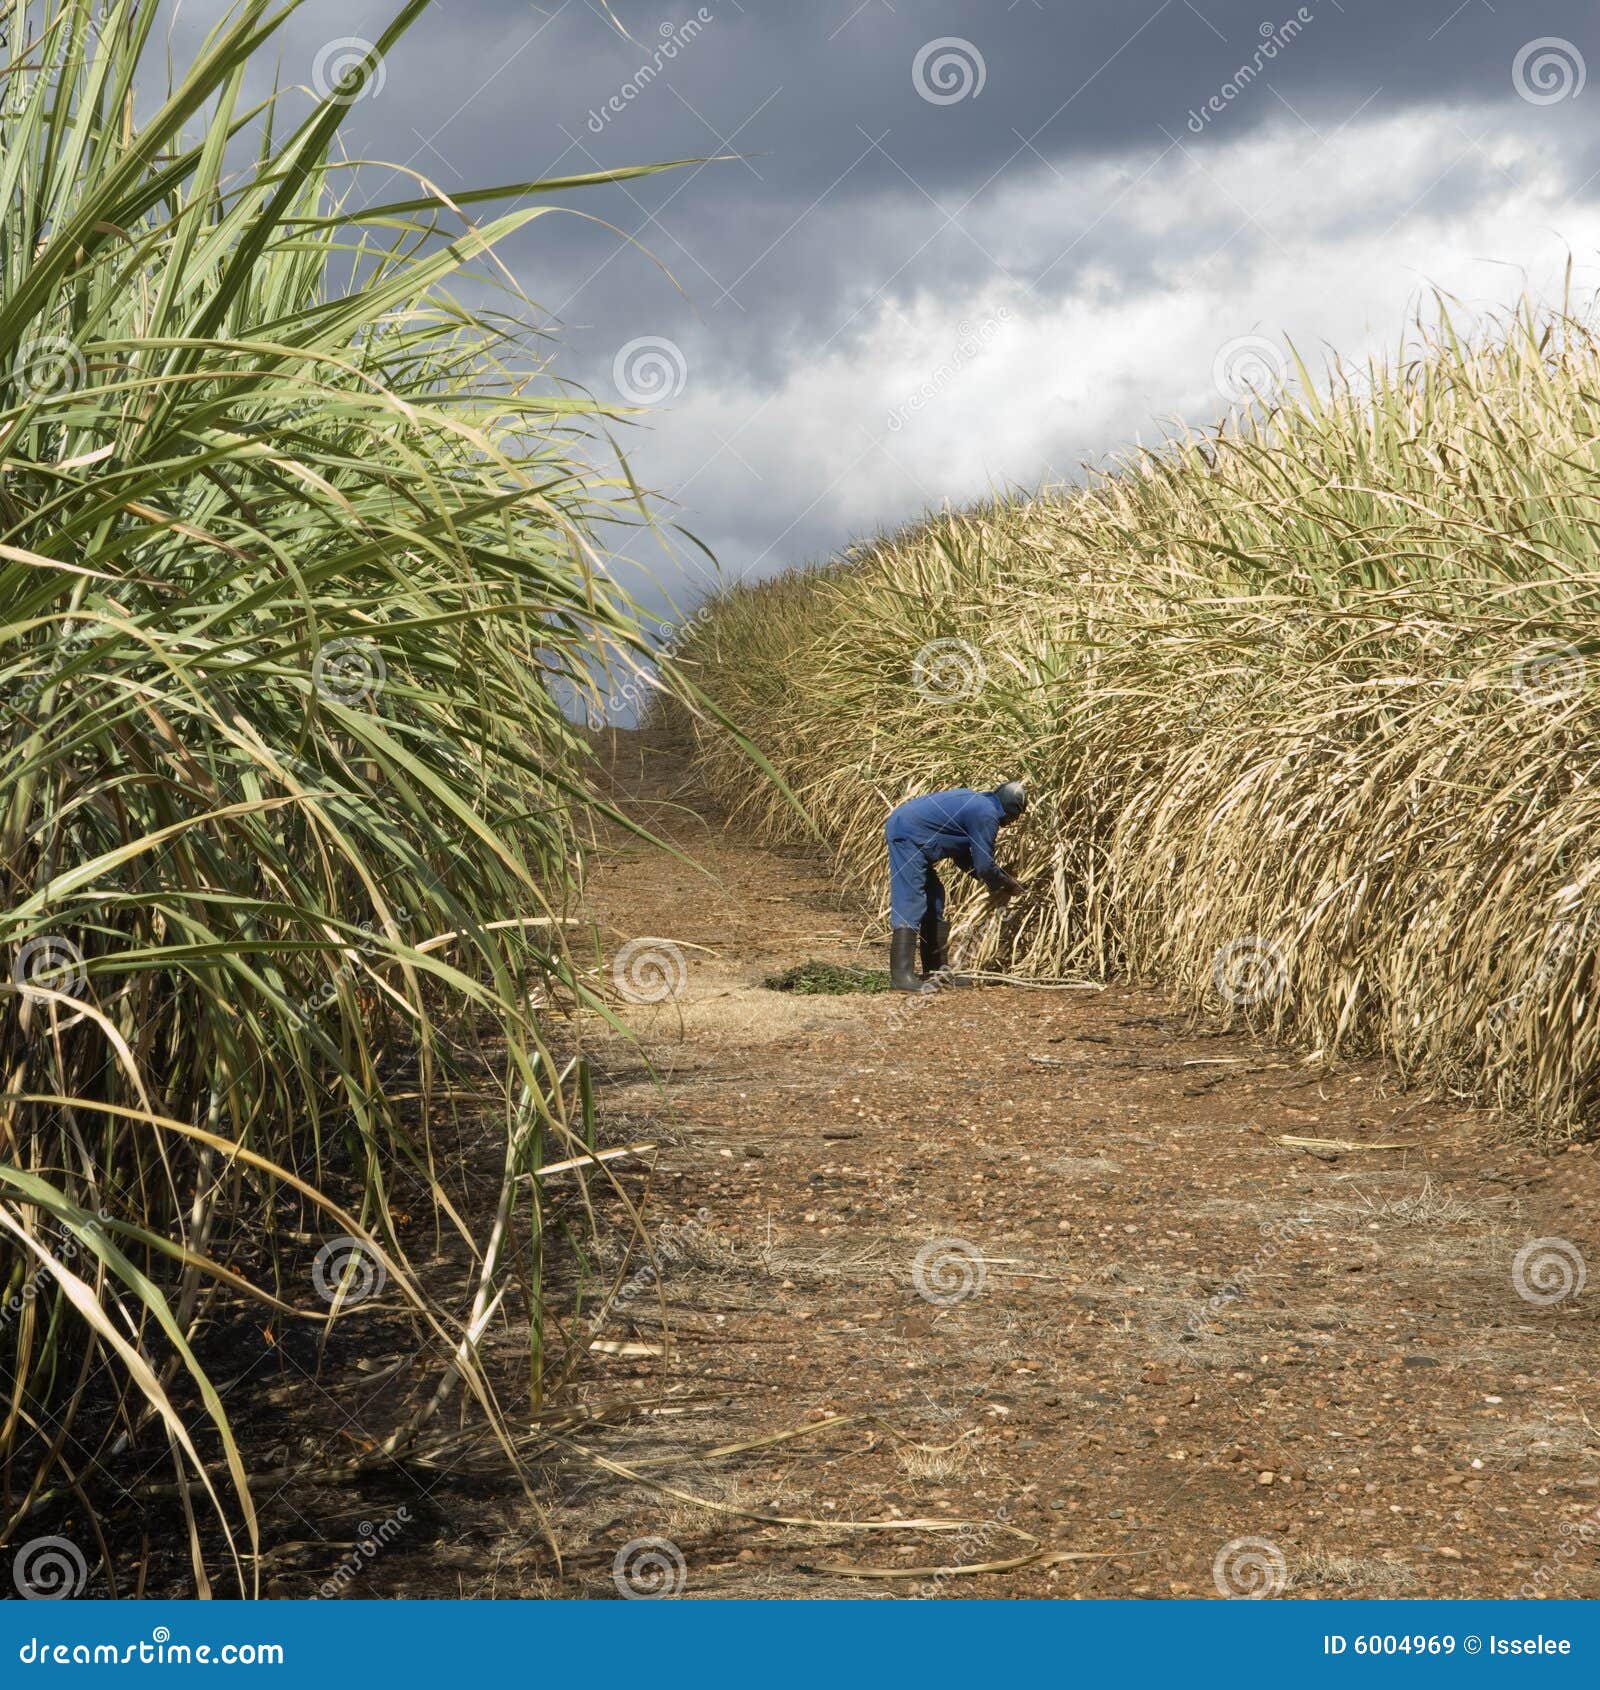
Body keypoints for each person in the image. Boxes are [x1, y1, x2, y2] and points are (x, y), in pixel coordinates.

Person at [883, 782, 1027, 991]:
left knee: (935, 898)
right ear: (1011, 809)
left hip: (911, 829)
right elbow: (984, 866)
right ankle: (901, 978)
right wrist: (1006, 883)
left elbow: (963, 859)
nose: (1013, 821)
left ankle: (935, 972)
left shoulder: (979, 805)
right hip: (907, 834)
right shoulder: (986, 814)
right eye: (1016, 816)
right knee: (911, 899)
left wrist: (996, 880)